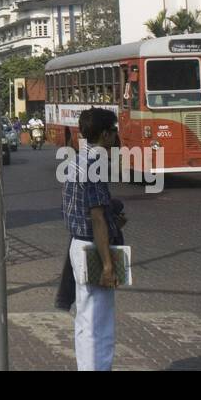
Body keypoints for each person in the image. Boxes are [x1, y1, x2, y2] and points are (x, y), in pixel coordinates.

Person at [61, 107, 127, 371]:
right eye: (113, 131)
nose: (115, 136)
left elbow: (82, 209)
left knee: (86, 320)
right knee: (100, 323)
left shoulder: (74, 161)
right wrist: (108, 265)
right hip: (94, 248)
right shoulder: (94, 167)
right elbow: (97, 218)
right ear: (104, 134)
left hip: (78, 244)